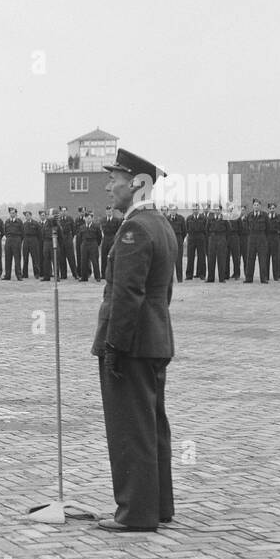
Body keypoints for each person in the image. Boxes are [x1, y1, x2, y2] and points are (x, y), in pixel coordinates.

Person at [91, 148, 177, 533]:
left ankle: (135, 513)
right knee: (151, 425)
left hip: (132, 344)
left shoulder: (134, 229)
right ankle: (157, 505)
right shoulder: (161, 224)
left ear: (138, 184)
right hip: (154, 339)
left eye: (116, 179)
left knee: (130, 429)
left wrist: (114, 346)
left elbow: (127, 294)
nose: (109, 186)